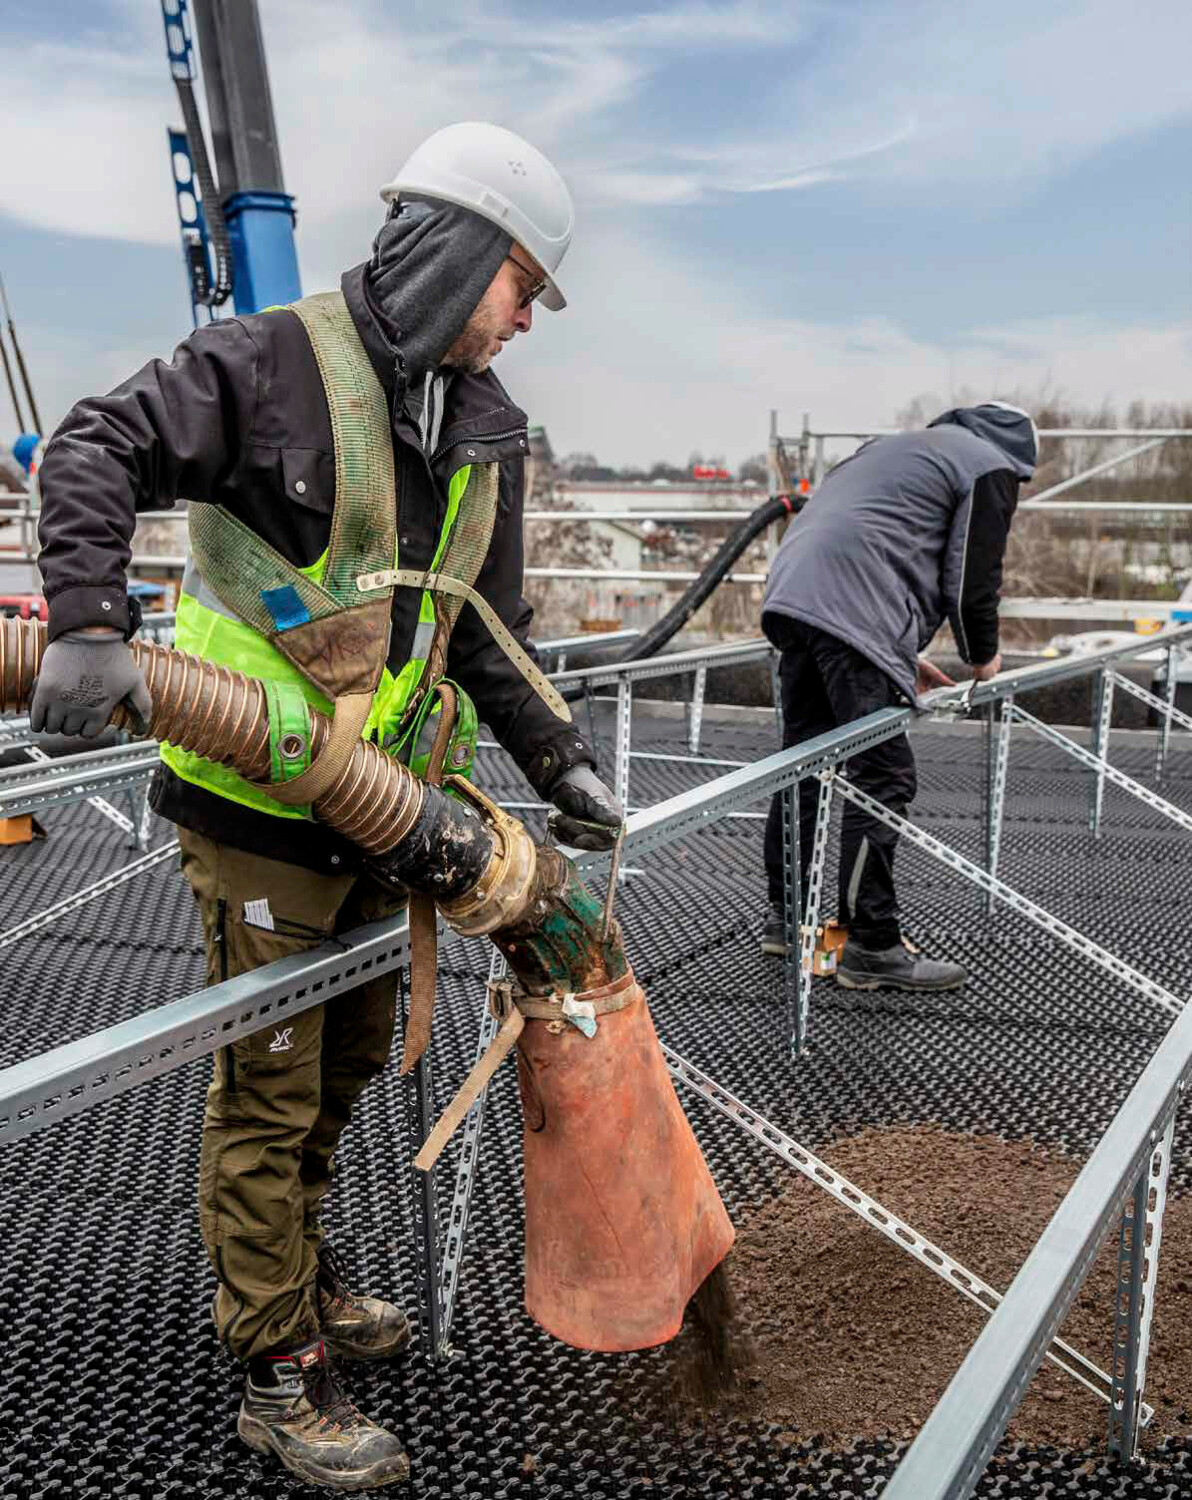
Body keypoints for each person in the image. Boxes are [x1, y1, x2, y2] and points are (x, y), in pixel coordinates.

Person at [32, 122, 622, 1491]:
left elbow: (489, 628)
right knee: (272, 1081)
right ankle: (274, 1364)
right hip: (253, 801)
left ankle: (291, 1272)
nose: (526, 320)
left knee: (351, 1059)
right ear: (455, 250)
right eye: (521, 285)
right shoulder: (269, 368)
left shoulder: (481, 432)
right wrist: (83, 618)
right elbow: (96, 443)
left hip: (383, 807)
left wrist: (559, 758)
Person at [759, 402, 1038, 990]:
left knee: (803, 764)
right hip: (852, 610)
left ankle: (789, 922)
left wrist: (896, 655)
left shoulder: (892, 449)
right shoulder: (988, 466)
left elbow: (871, 537)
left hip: (794, 596)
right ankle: (872, 945)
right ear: (1018, 460)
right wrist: (982, 657)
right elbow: (971, 580)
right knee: (882, 776)